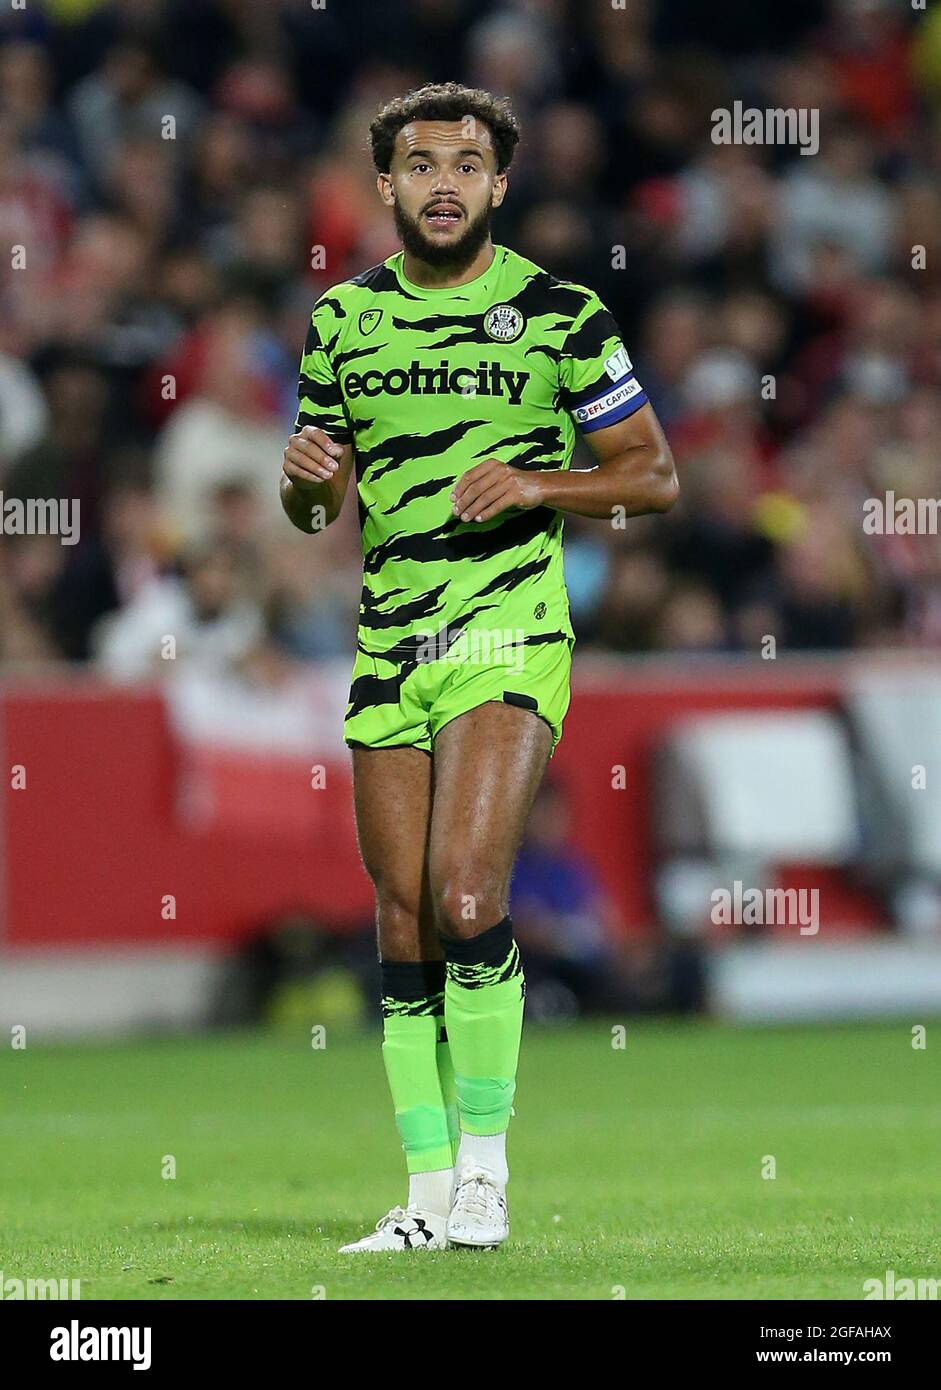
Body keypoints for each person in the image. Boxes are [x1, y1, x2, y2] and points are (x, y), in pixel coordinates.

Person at [280, 82, 677, 1252]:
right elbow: (317, 510)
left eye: (465, 164)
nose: (442, 182)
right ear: (387, 185)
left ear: (500, 185)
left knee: (465, 893)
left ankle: (489, 1176)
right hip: (388, 637)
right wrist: (305, 483)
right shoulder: (343, 320)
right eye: (419, 163)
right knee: (400, 915)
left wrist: (541, 483)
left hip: (506, 627)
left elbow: (652, 476)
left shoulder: (562, 312)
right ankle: (421, 1192)